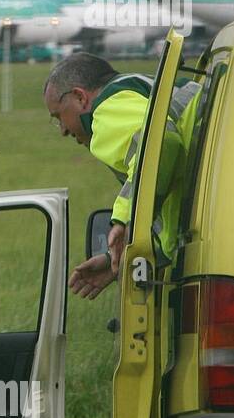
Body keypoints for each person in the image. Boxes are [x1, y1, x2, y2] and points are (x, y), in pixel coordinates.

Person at [43, 52, 201, 300]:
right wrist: (117, 258)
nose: (62, 130)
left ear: (80, 97)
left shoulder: (106, 110)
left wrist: (125, 220)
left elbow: (163, 145)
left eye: (58, 116)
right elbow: (167, 184)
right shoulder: (138, 90)